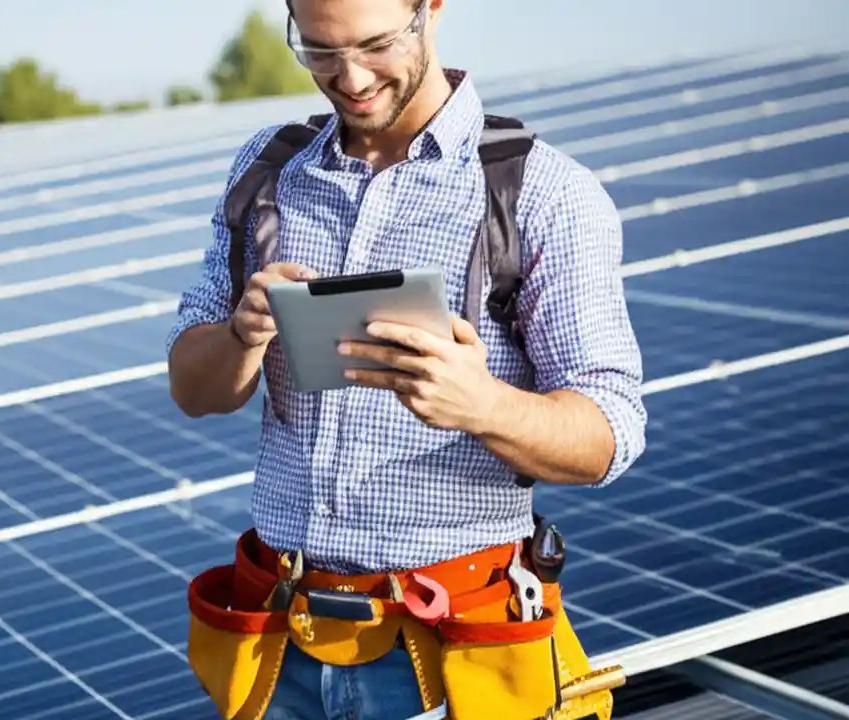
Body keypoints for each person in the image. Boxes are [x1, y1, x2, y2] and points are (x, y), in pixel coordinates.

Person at [166, 0, 648, 717]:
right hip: (278, 643)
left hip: (449, 650)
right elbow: (192, 387)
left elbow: (611, 434)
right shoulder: (269, 176)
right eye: (319, 50)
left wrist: (480, 403)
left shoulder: (540, 194)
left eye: (375, 45)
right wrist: (241, 336)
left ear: (433, 9)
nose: (350, 78)